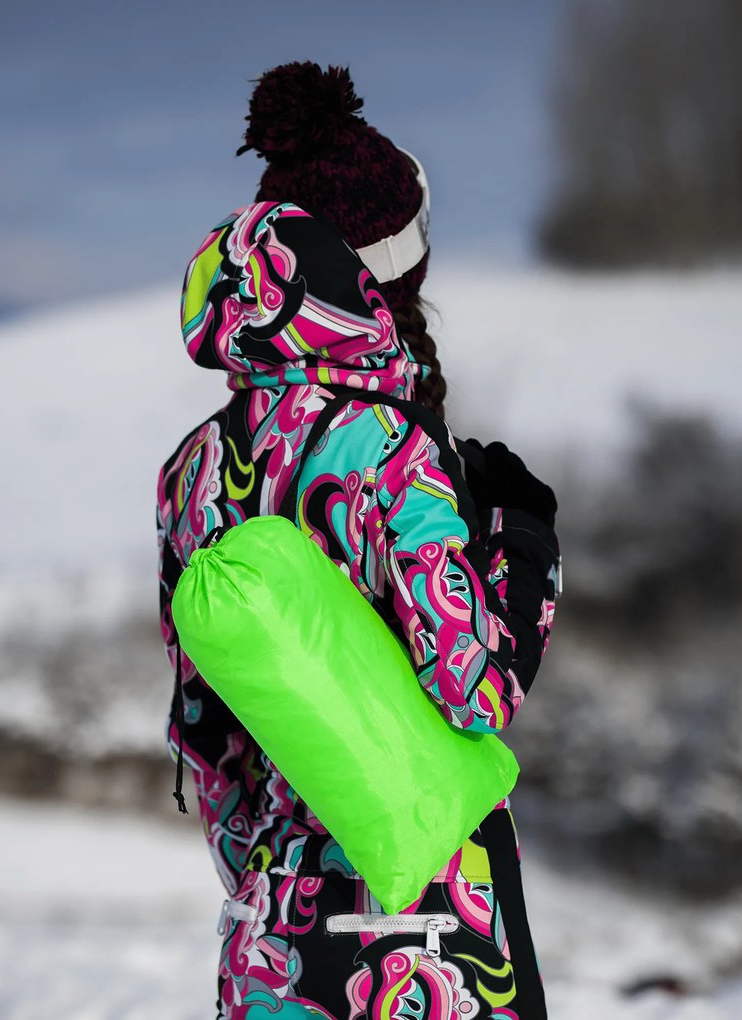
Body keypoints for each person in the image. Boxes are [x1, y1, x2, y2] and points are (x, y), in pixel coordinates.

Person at [156, 61, 560, 1020]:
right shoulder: (392, 448)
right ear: (380, 276)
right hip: (428, 931)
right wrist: (526, 543)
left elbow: (205, 740)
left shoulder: (192, 470)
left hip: (272, 928)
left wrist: (270, 874)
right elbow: (476, 688)